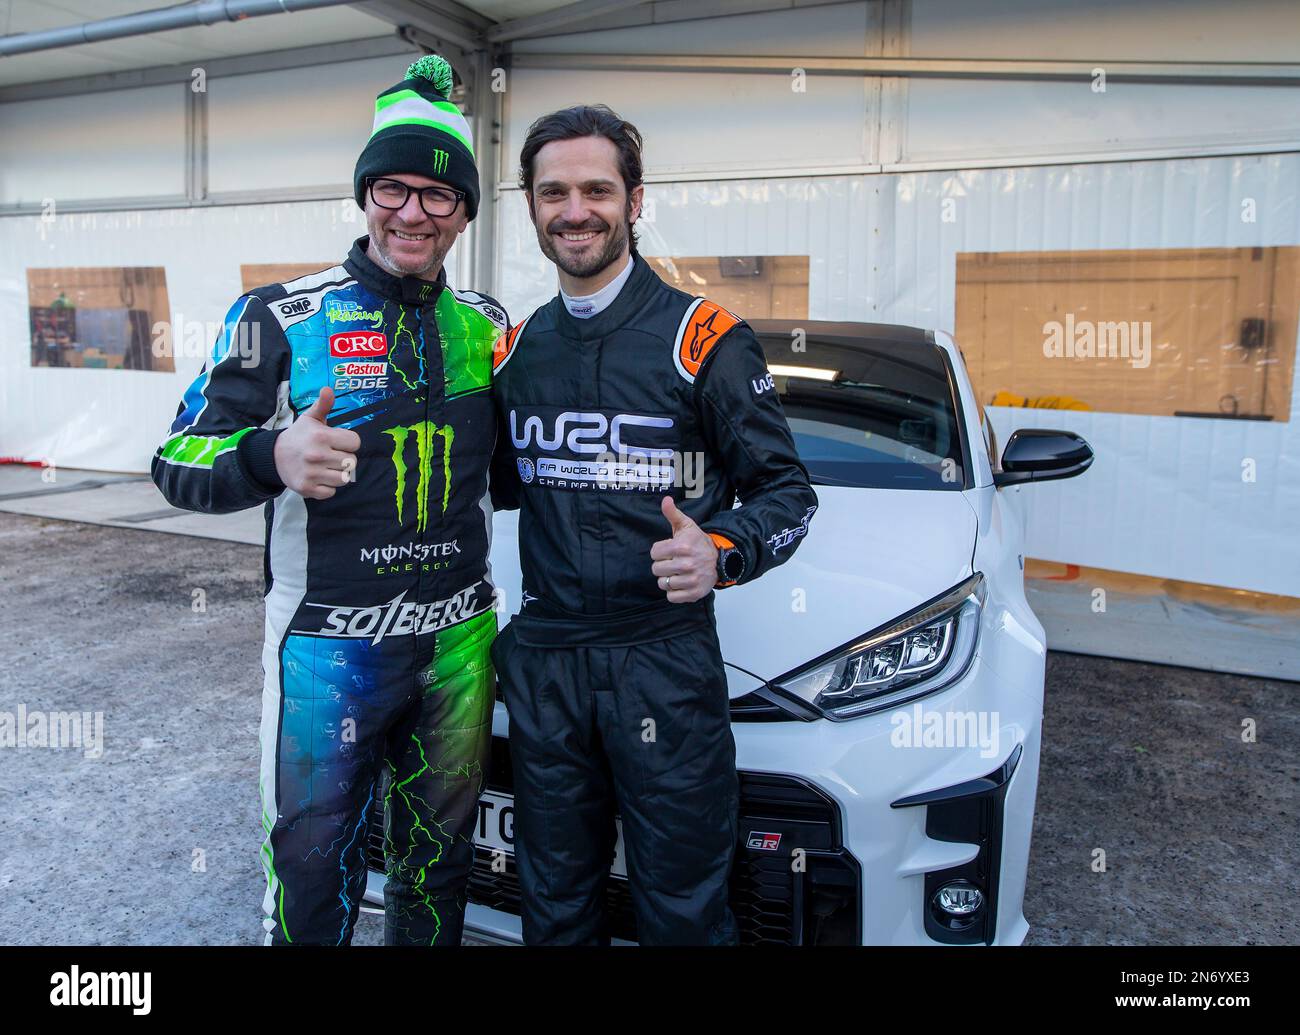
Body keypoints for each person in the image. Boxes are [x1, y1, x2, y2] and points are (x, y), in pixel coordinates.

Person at [151, 55, 508, 946]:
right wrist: (273, 453)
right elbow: (174, 456)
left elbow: (518, 472)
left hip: (459, 643)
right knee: (313, 871)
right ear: (365, 195)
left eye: (438, 194)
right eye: (393, 188)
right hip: (325, 647)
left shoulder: (488, 325)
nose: (413, 212)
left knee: (438, 867)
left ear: (464, 210)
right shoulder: (279, 316)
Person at [490, 105, 819, 945]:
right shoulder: (514, 351)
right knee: (554, 904)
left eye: (597, 188)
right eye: (553, 191)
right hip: (548, 659)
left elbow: (788, 494)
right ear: (529, 205)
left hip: (663, 662)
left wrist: (721, 550)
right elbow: (481, 487)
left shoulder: (704, 336)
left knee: (683, 908)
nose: (575, 209)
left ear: (634, 201)